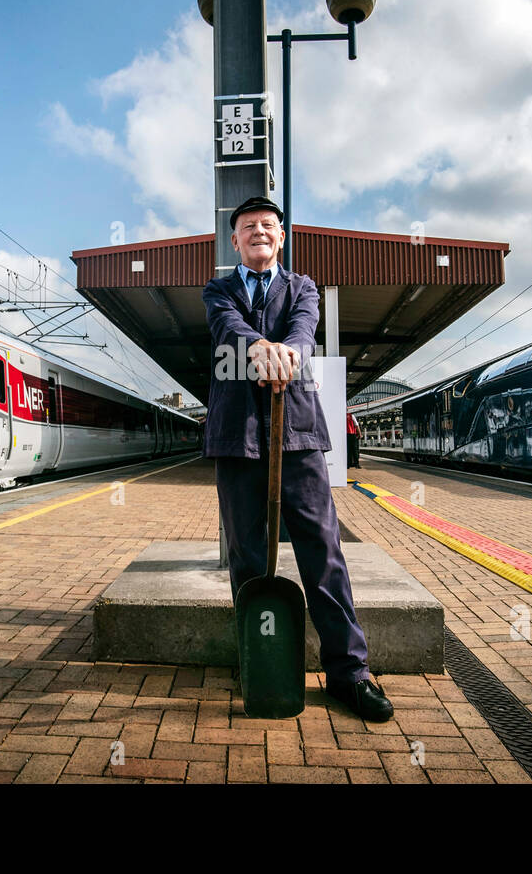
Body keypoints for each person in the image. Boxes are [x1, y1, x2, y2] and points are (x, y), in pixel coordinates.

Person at [203, 195, 393, 723]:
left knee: (322, 549)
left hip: (299, 435)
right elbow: (227, 329)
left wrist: (287, 351)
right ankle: (256, 660)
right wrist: (260, 347)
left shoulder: (302, 286)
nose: (259, 230)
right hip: (237, 435)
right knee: (246, 553)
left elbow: (304, 331)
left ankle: (349, 673)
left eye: (268, 224)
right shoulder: (218, 289)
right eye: (248, 226)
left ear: (281, 236)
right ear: (235, 240)